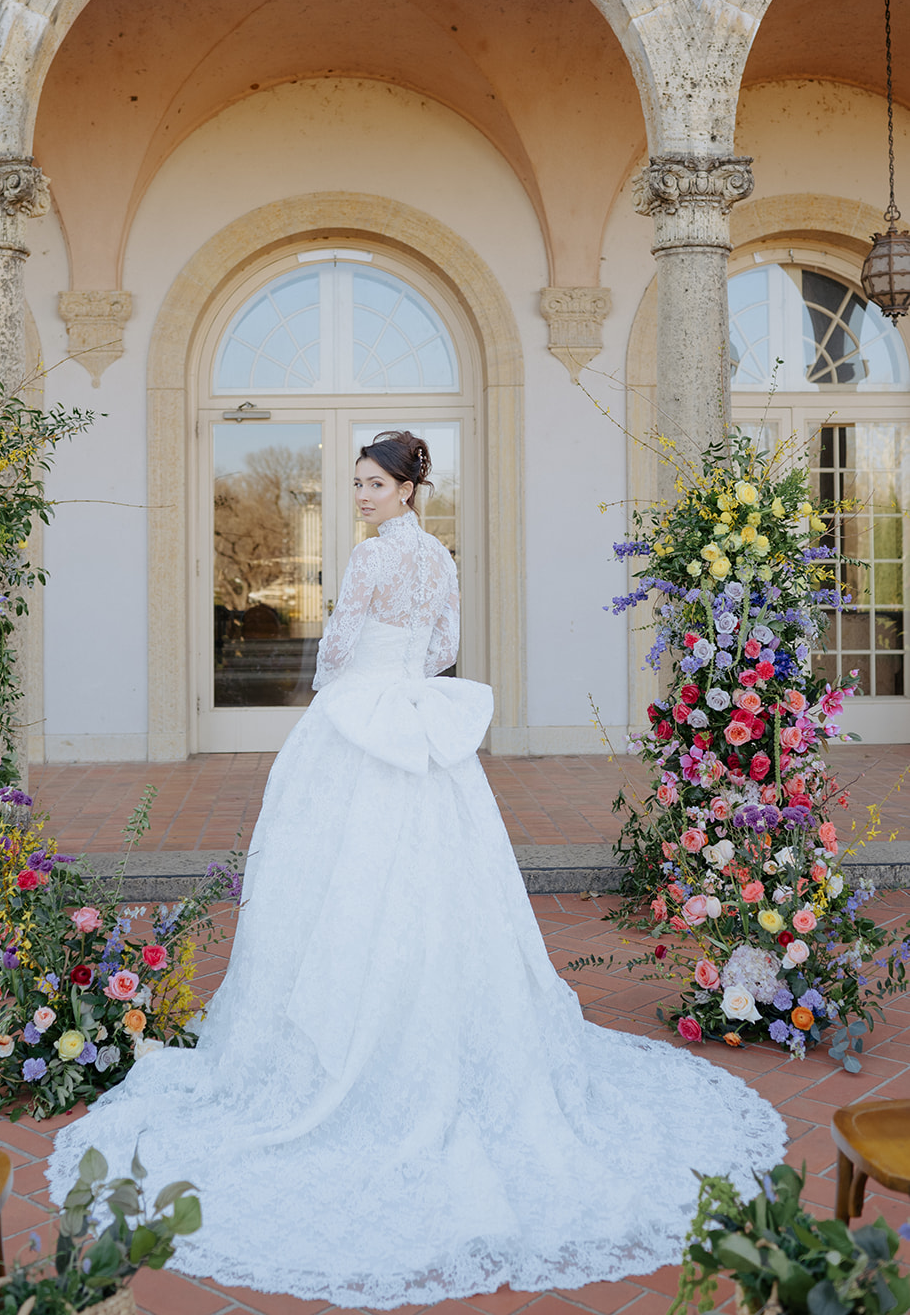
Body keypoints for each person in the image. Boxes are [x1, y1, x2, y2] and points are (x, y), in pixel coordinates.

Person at [47, 429, 785, 1308]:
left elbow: (335, 649)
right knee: (437, 880)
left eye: (373, 483)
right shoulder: (440, 557)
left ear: (404, 488)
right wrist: (396, 676)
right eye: (357, 483)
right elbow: (441, 650)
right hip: (416, 719)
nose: (361, 495)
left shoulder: (370, 559)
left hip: (360, 716)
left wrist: (346, 692)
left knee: (341, 879)